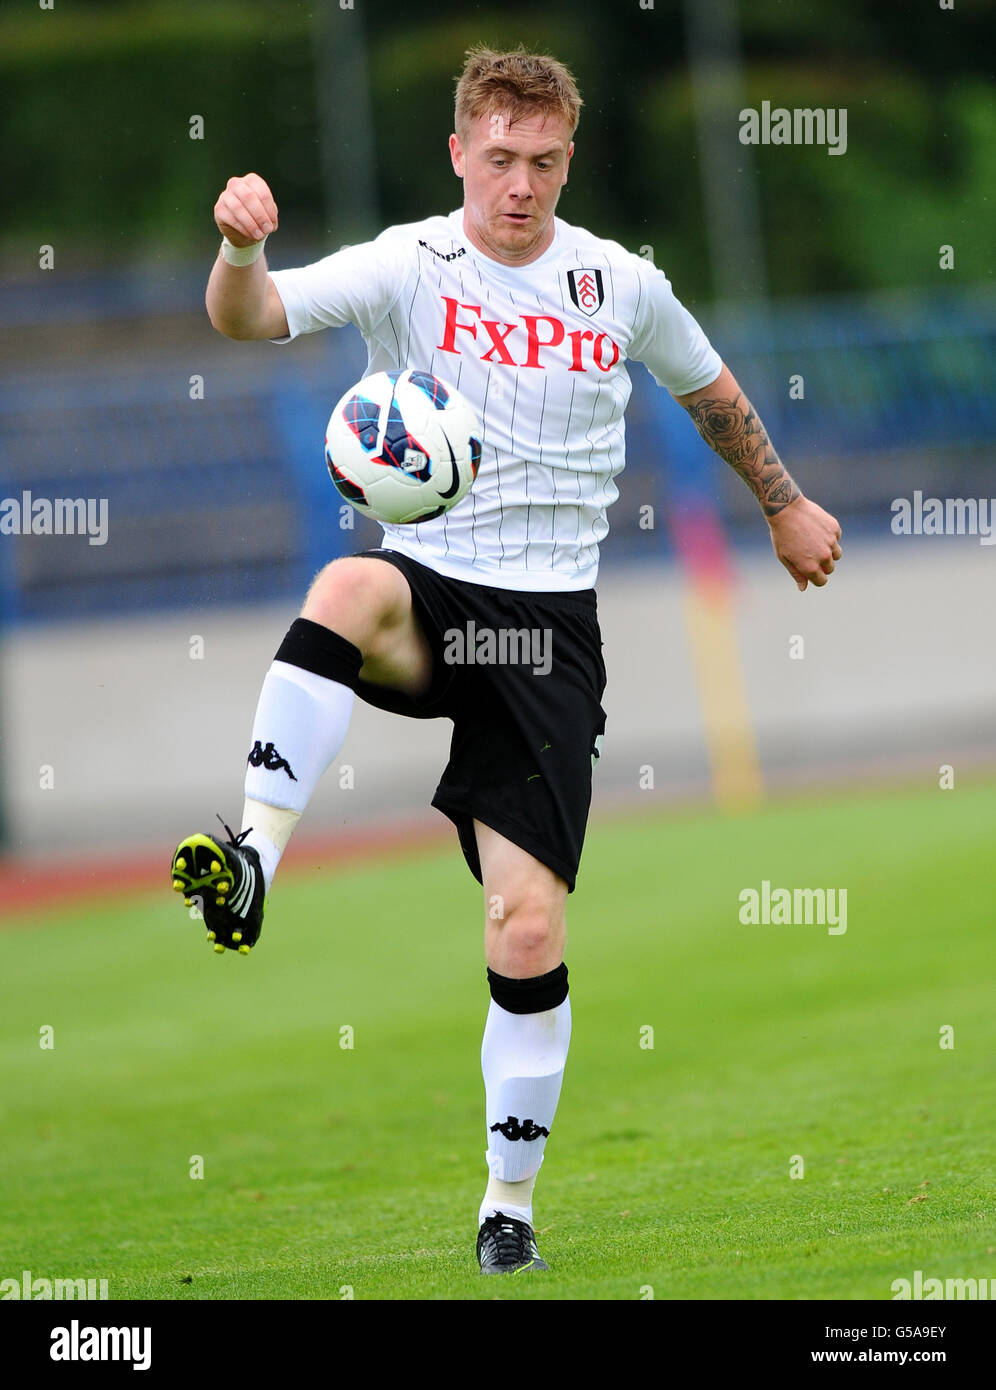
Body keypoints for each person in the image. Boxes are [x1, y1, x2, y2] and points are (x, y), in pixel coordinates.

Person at [170, 45, 842, 1276]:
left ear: (567, 159)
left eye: (542, 161)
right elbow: (251, 317)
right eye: (498, 158)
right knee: (346, 581)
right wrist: (239, 247)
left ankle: (508, 1205)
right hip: (429, 584)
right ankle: (256, 859)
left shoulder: (621, 285)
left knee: (524, 925)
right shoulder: (407, 265)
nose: (519, 185)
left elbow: (714, 393)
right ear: (459, 152)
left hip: (545, 630)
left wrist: (784, 503)